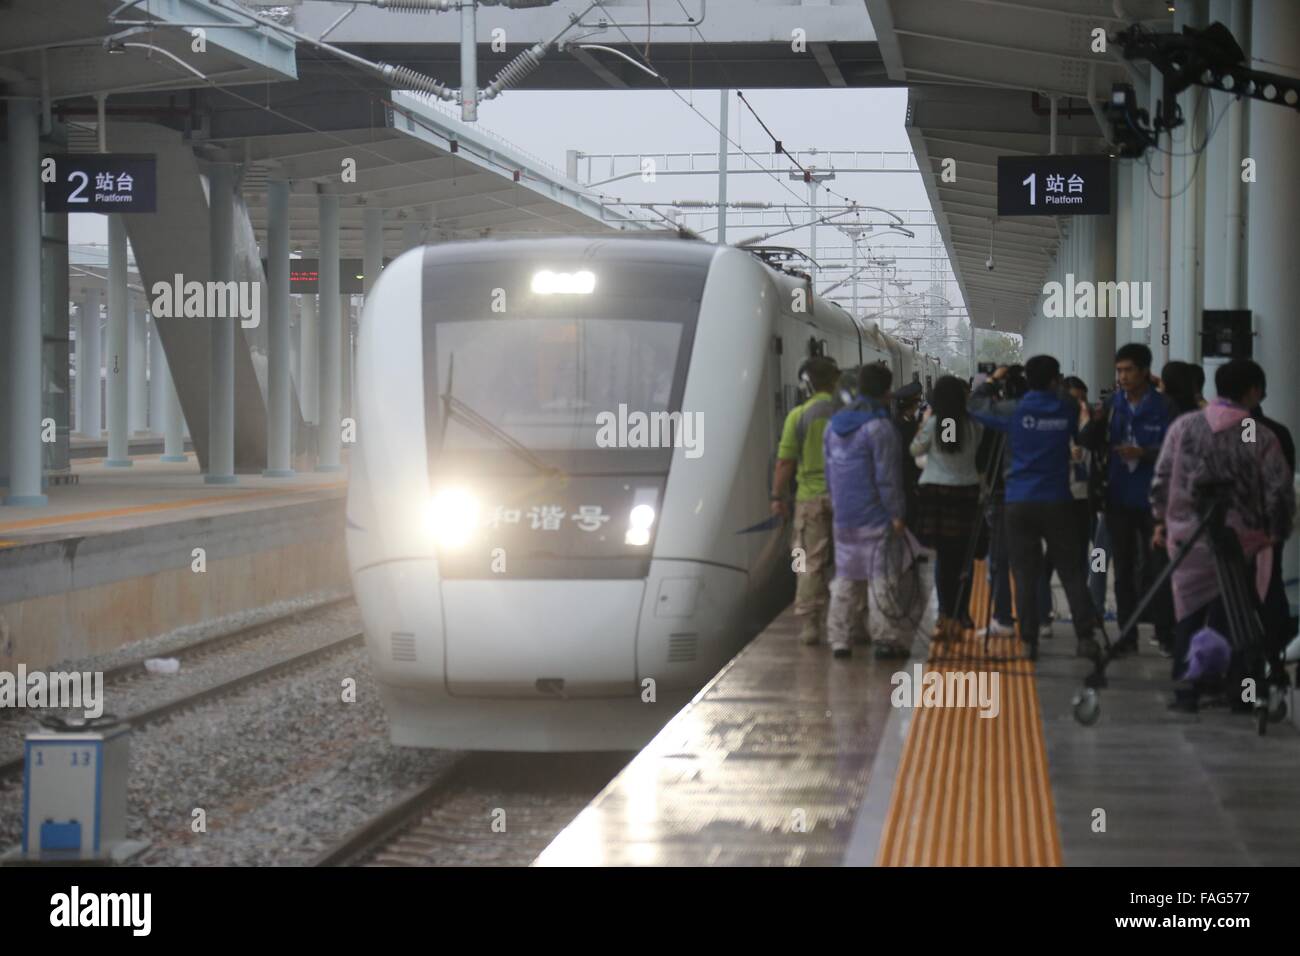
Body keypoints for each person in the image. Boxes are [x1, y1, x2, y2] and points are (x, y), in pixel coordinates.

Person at [1150, 359, 1295, 711]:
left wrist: (1160, 521)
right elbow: (1278, 489)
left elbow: (1162, 478)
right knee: (1237, 619)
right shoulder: (1255, 433)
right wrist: (1276, 532)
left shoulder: (1185, 426)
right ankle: (1240, 694)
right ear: (1253, 391)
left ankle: (1187, 693)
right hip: (1241, 542)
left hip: (1188, 538)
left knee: (1189, 615)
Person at [970, 357, 1101, 661]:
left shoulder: (1013, 410)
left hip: (1019, 501)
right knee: (1071, 571)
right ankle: (1085, 637)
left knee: (1024, 573)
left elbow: (975, 405)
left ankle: (1029, 641)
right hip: (1058, 501)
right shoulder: (1066, 407)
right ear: (1056, 380)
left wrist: (993, 380)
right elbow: (1073, 405)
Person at [1080, 343, 1175, 656]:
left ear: (1145, 371)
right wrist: (1094, 420)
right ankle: (1127, 633)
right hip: (1117, 498)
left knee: (1158, 567)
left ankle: (1164, 633)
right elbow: (1087, 441)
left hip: (1155, 502)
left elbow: (1176, 450)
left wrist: (1144, 453)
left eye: (1128, 370)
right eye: (1119, 370)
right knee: (1121, 570)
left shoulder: (1165, 407)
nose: (1122, 376)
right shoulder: (1111, 406)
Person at [824, 363, 919, 660]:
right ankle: (885, 639)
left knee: (846, 578)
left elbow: (830, 472)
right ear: (887, 392)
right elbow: (887, 478)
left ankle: (840, 639)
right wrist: (897, 514)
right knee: (881, 580)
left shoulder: (833, 426)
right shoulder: (880, 428)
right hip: (876, 518)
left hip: (844, 517)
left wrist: (837, 506)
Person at [910, 375, 983, 642]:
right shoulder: (975, 424)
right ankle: (962, 614)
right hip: (967, 495)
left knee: (944, 559)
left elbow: (914, 449)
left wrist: (923, 424)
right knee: (965, 559)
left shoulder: (935, 422)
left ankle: (945, 615)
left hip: (938, 496)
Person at [772, 356, 840, 645]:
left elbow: (785, 462)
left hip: (810, 500)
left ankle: (811, 625)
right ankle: (856, 622)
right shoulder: (845, 413)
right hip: (845, 497)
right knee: (851, 561)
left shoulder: (798, 416)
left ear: (806, 385)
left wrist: (777, 495)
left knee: (807, 561)